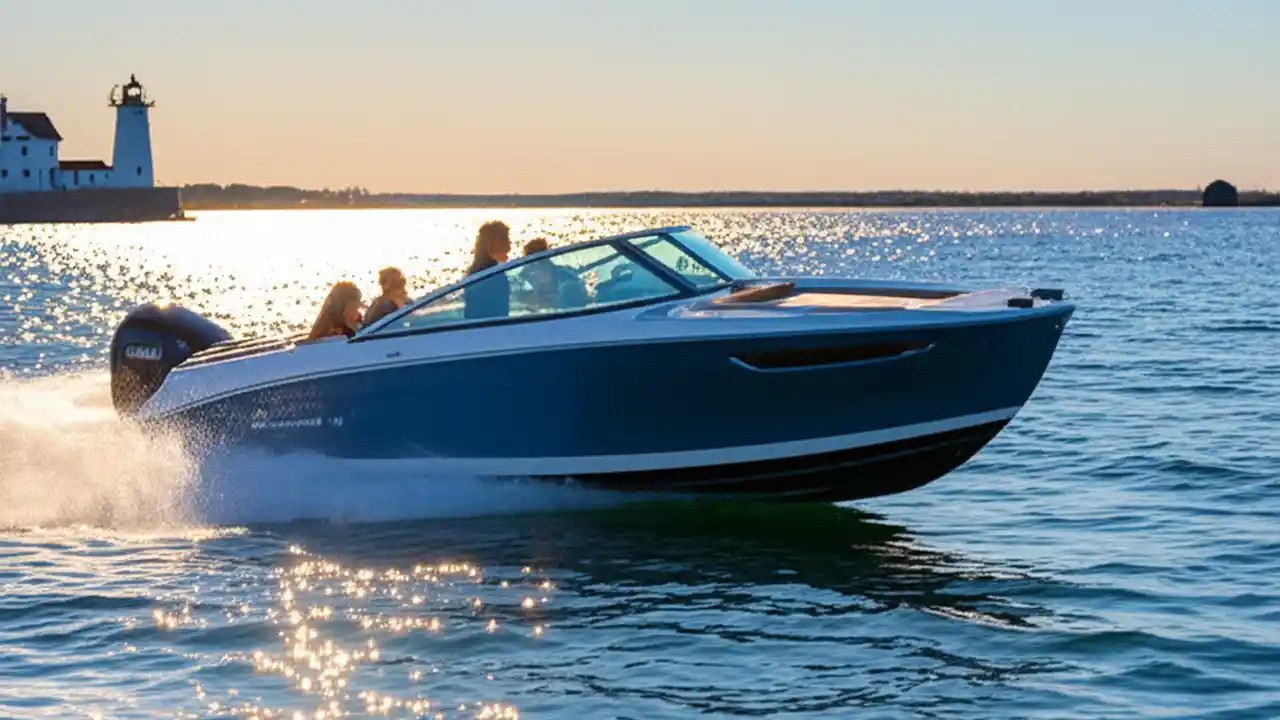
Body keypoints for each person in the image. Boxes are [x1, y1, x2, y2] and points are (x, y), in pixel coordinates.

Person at [463, 221, 512, 319]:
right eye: (506, 241)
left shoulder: (475, 275)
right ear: (494, 245)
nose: (509, 247)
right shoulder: (493, 277)